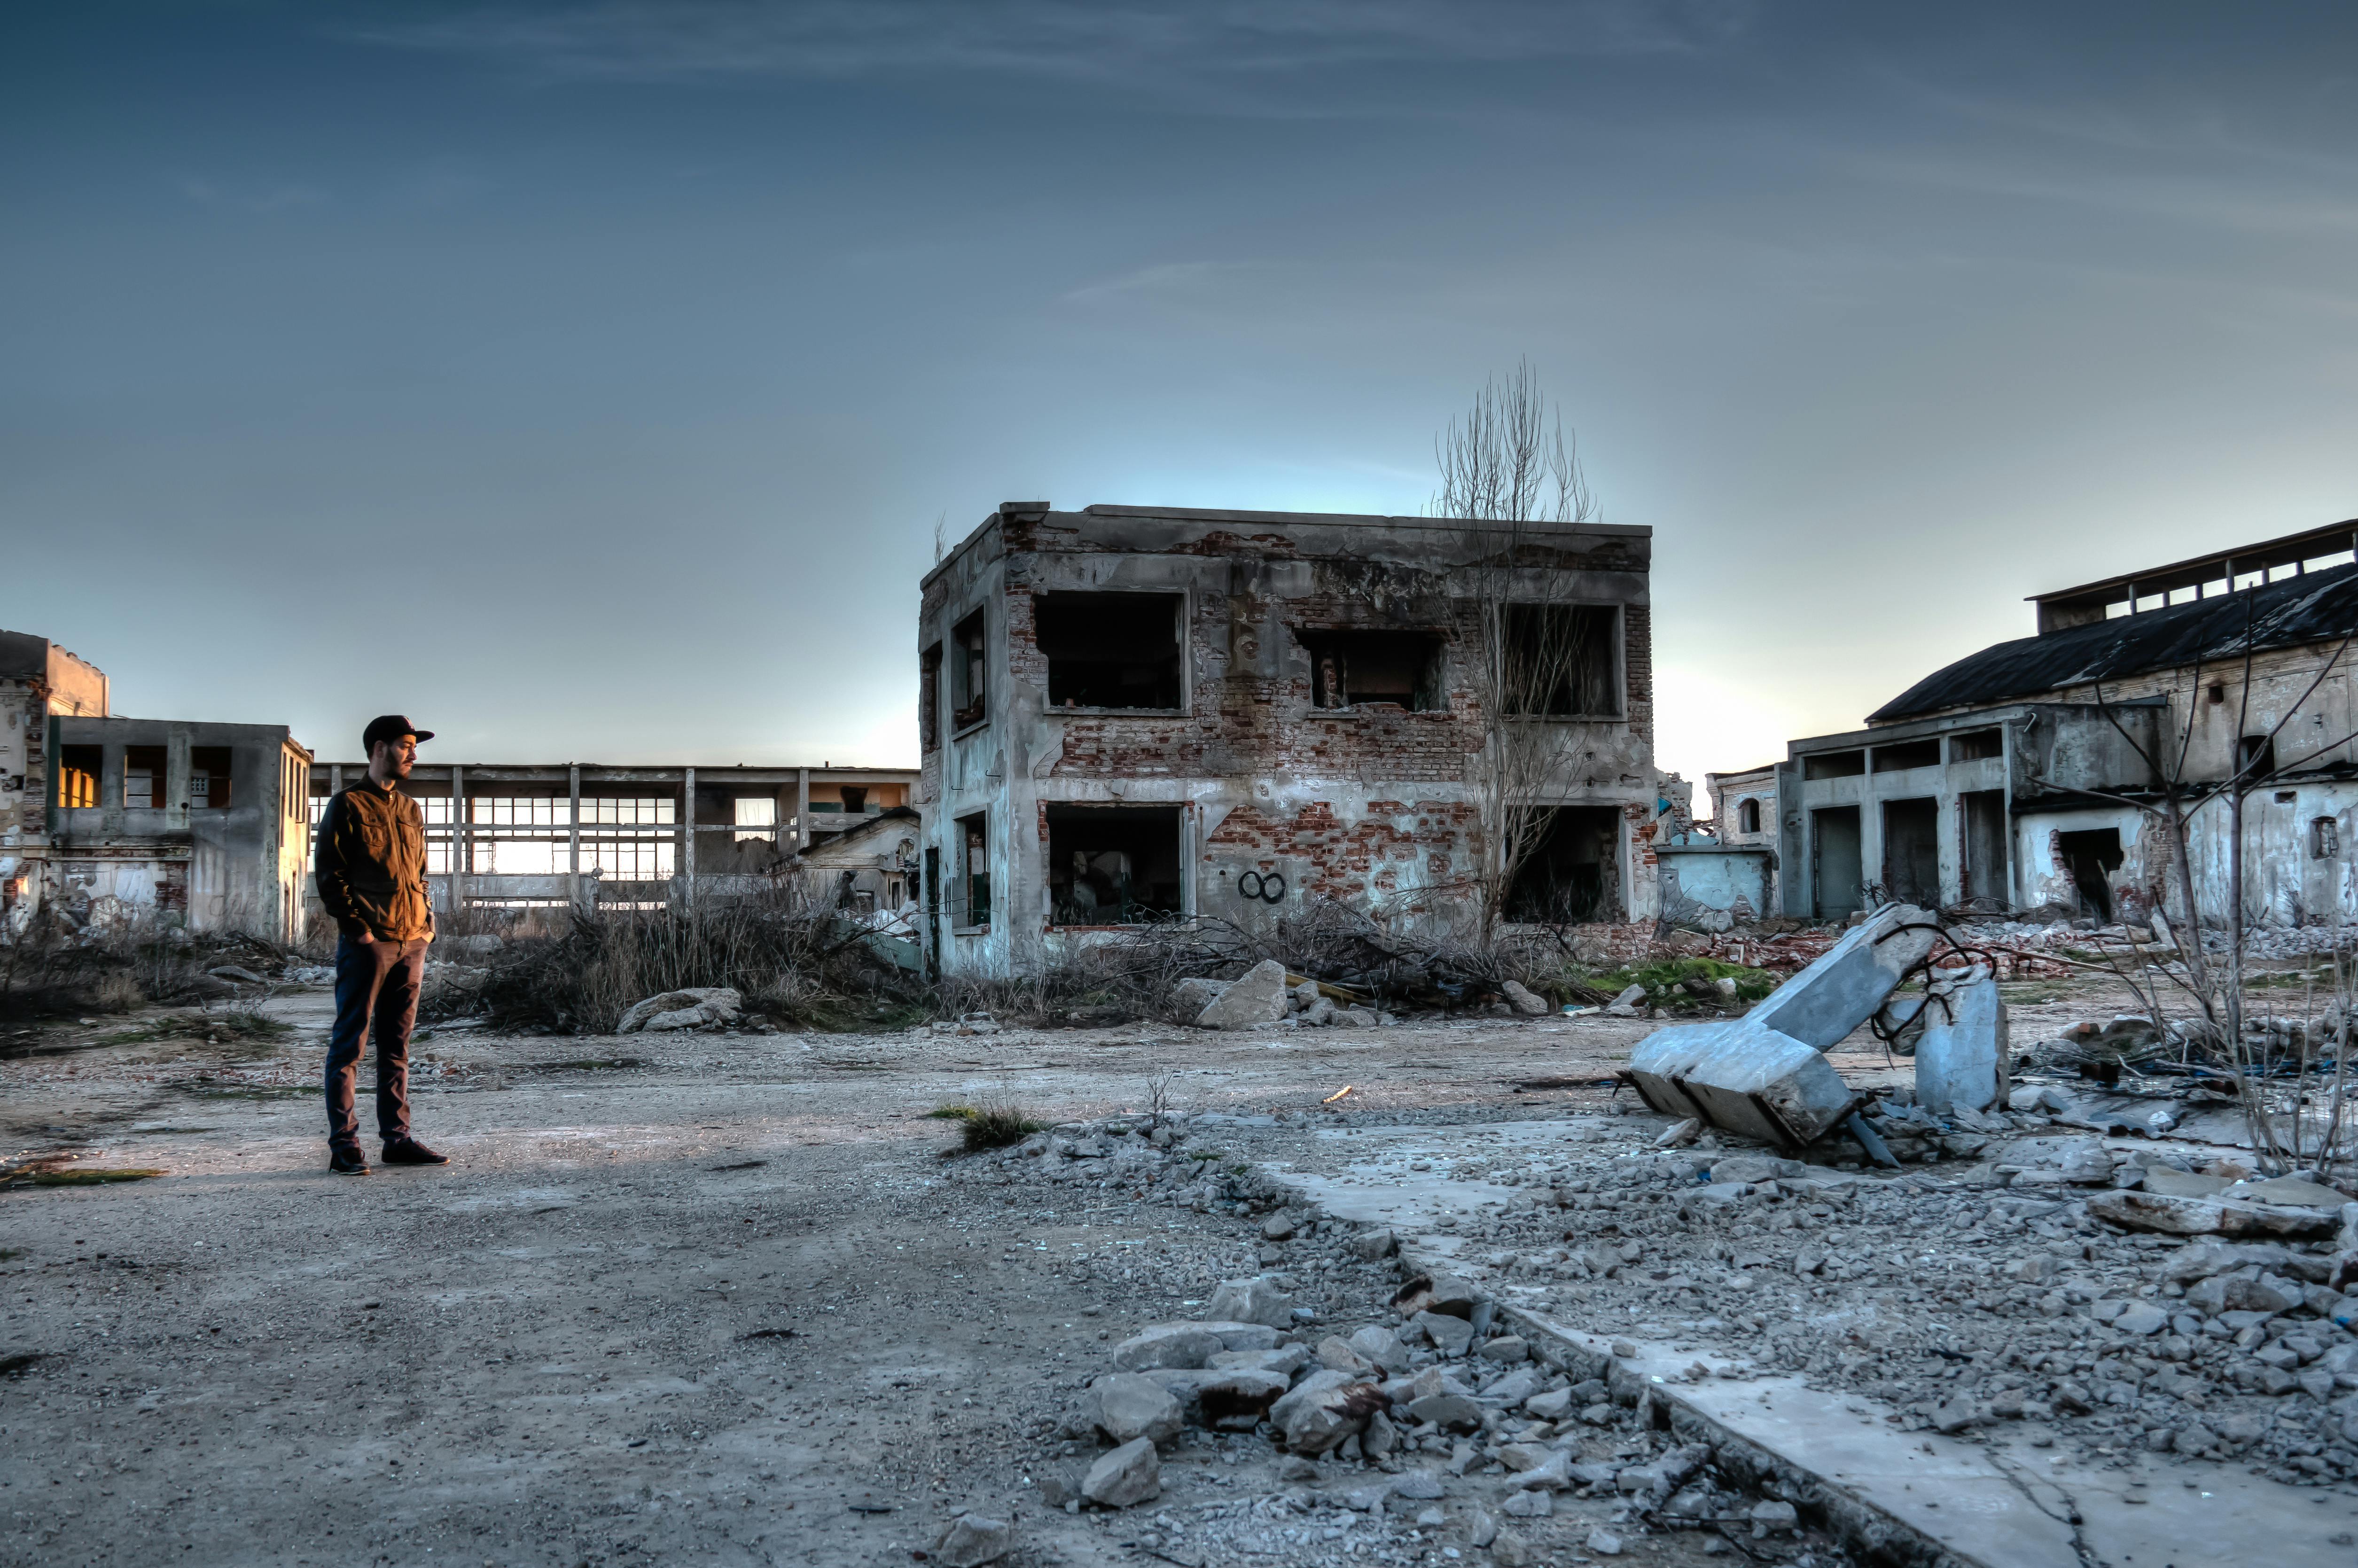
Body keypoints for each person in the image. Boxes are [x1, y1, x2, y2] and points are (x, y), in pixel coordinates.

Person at [312, 716, 450, 1175]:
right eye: (406, 746)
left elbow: (421, 873)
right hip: (370, 944)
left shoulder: (411, 810)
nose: (413, 754)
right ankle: (344, 1146)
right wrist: (359, 931)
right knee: (350, 1043)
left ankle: (397, 1139)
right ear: (379, 749)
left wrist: (426, 925)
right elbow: (330, 875)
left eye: (414, 747)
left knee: (397, 1045)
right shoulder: (346, 804)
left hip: (412, 941)